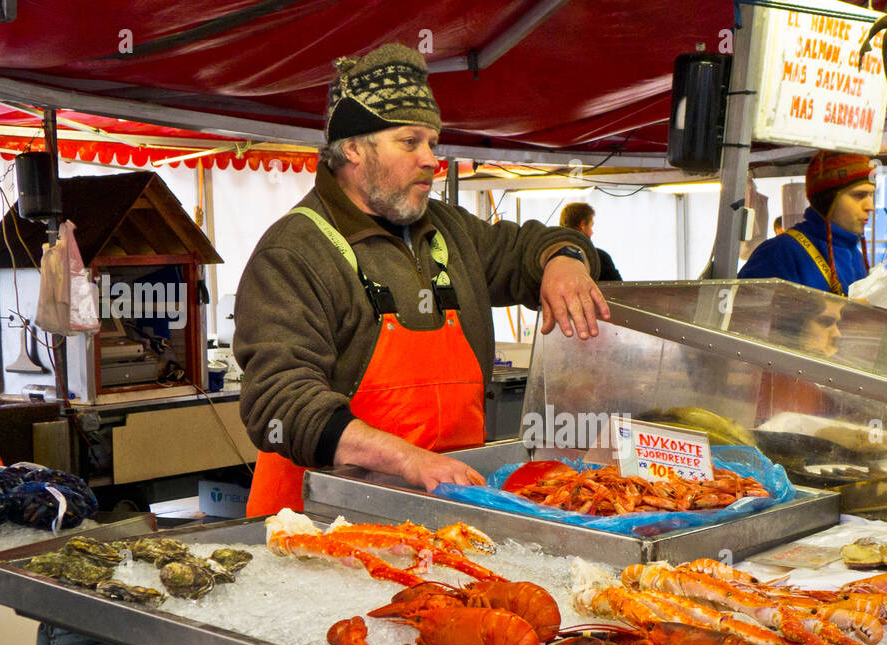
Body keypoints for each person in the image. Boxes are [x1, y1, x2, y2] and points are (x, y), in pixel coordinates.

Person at [234, 45, 607, 515]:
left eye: (433, 142)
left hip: (445, 511)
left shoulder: (450, 231)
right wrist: (407, 460)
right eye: (410, 142)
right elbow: (278, 403)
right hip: (319, 526)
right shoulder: (294, 253)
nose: (432, 159)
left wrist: (565, 260)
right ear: (352, 147)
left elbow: (528, 248)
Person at [739, 151, 874, 295]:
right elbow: (743, 314)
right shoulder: (779, 253)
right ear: (827, 200)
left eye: (871, 195)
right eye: (859, 195)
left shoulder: (855, 255)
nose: (870, 206)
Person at [559, 202, 622, 281]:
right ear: (582, 225)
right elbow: (620, 289)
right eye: (591, 226)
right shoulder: (600, 258)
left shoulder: (550, 256)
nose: (592, 232)